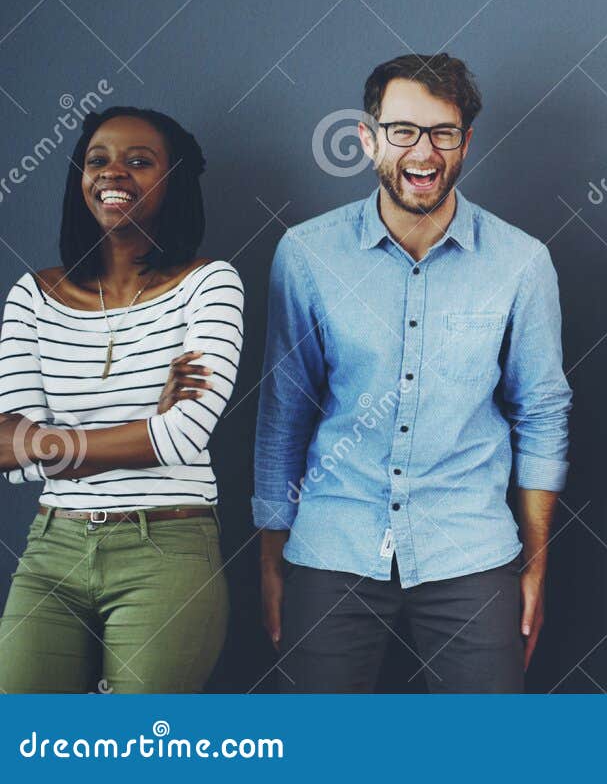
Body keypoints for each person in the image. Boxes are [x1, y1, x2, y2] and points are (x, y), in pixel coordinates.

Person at [253, 53, 572, 693]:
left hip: (471, 548)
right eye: (402, 130)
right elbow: (283, 412)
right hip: (332, 542)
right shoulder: (308, 254)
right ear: (368, 138)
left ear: (466, 142)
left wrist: (534, 566)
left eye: (442, 132)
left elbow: (541, 414)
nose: (422, 151)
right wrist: (271, 558)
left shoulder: (521, 262)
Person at [0, 107, 240, 693]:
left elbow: (182, 436)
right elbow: (4, 446)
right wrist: (144, 430)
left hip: (166, 546)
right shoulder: (33, 295)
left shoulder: (209, 283)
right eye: (98, 160)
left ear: (173, 179)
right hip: (52, 545)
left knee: (138, 752)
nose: (114, 174)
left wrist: (47, 446)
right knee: (25, 746)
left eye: (139, 162)